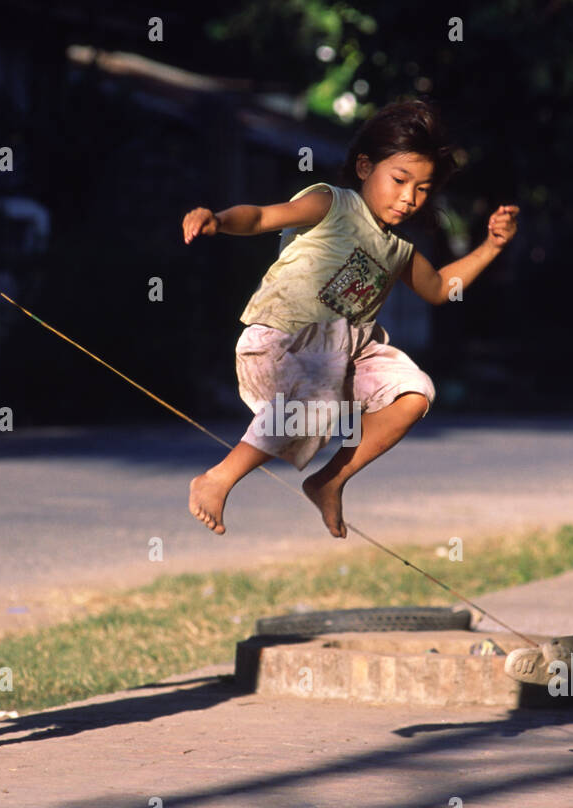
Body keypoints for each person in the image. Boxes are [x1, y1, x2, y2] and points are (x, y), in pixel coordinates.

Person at [182, 99, 519, 537]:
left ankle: (331, 479)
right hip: (281, 343)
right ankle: (218, 477)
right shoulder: (331, 204)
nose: (409, 198)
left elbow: (439, 289)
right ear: (364, 167)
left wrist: (491, 246)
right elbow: (263, 216)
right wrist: (219, 220)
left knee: (416, 394)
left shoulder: (399, 251)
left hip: (343, 360)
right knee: (317, 394)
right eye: (400, 180)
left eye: (422, 188)